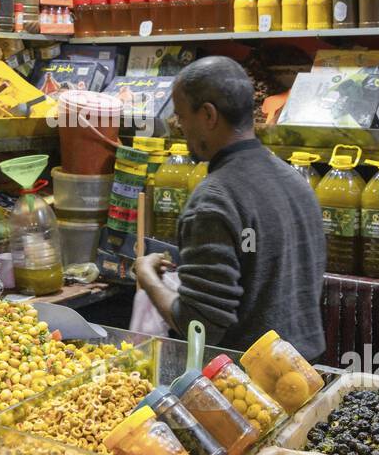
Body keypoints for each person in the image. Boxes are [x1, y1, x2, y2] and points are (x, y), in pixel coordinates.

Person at [134, 56, 325, 358]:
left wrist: (147, 277)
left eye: (182, 117)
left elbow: (200, 326)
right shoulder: (295, 180)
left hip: (250, 388)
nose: (179, 128)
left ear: (208, 115)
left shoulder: (214, 200)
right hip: (305, 372)